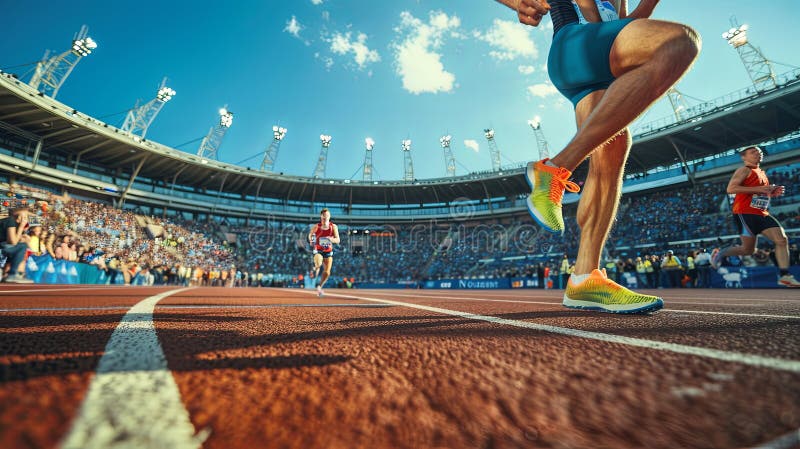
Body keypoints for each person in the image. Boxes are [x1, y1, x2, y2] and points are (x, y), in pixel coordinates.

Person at [497, 0, 700, 312]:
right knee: (679, 42)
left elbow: (624, 20)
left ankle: (584, 278)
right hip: (576, 42)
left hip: (593, 63)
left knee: (613, 147)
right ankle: (555, 168)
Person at [711, 146, 800, 287]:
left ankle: (785, 276)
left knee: (782, 240)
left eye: (759, 152)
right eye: (753, 152)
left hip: (762, 213)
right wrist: (759, 189)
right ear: (744, 157)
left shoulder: (762, 173)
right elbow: (731, 189)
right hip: (745, 213)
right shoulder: (744, 170)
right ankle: (721, 253)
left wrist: (771, 192)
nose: (758, 153)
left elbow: (759, 193)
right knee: (748, 250)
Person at [308, 208, 341, 297]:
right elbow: (310, 235)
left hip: (328, 251)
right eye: (324, 215)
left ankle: (319, 286)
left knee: (327, 272)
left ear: (329, 216)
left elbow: (338, 239)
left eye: (327, 215)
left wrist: (330, 239)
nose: (325, 217)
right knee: (318, 262)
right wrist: (311, 240)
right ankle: (315, 269)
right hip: (318, 250)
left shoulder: (333, 227)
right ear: (321, 217)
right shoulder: (316, 226)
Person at [0, 207, 34, 283]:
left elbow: (14, 240)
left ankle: (7, 273)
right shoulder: (11, 221)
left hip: (3, 246)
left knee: (20, 246)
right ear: (18, 217)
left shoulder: (14, 223)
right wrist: (21, 227)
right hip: (2, 247)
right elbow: (13, 242)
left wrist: (23, 237)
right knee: (22, 246)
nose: (26, 219)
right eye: (25, 217)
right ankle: (12, 274)